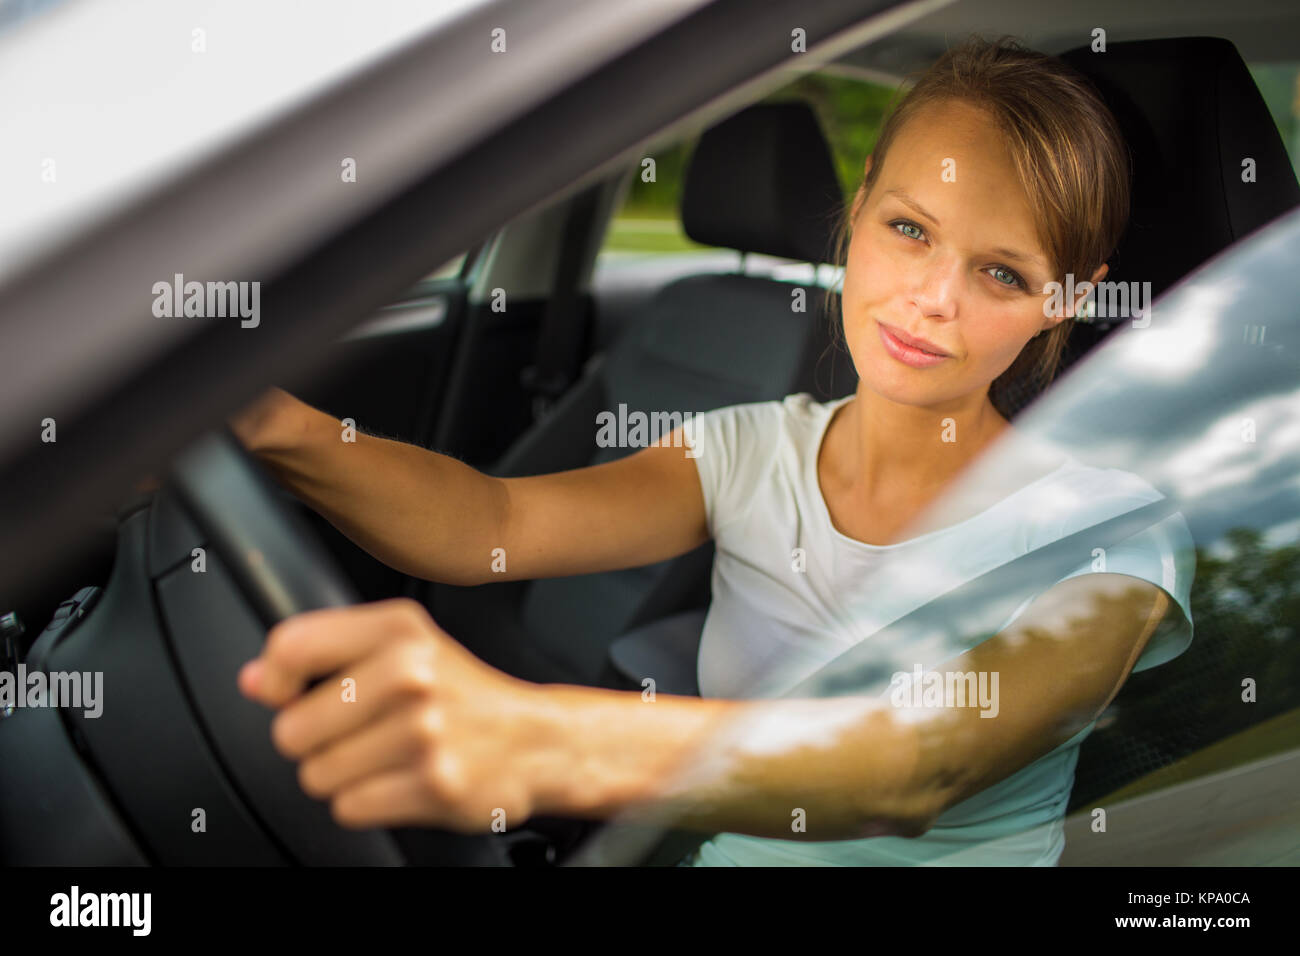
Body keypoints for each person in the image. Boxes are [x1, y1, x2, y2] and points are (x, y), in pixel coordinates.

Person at [229, 35, 1195, 866]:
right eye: (909, 229)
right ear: (857, 213)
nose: (934, 297)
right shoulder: (749, 450)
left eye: (1000, 272)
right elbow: (492, 523)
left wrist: (534, 740)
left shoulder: (1112, 533)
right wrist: (273, 429)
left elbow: (915, 765)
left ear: (1066, 298)